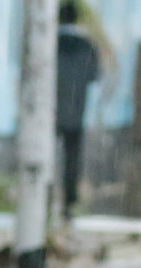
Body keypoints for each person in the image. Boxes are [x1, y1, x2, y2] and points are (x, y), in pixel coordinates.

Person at [55, 1, 100, 216]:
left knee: (46, 158)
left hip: (50, 113)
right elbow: (93, 76)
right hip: (76, 111)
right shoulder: (87, 44)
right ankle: (68, 202)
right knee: (72, 159)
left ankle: (43, 198)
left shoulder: (49, 43)